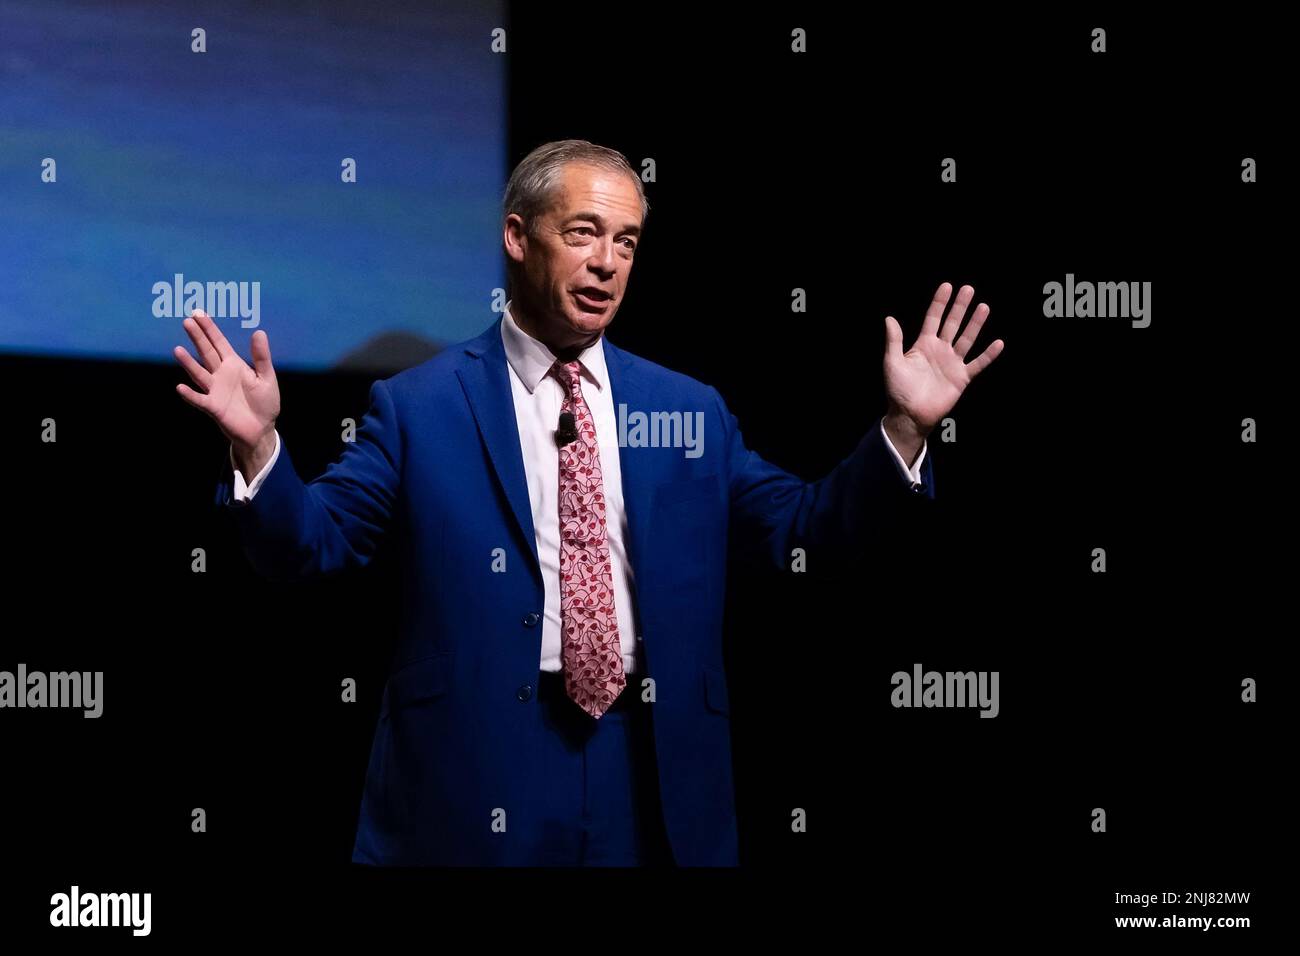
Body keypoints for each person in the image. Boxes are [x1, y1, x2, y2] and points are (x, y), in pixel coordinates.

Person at [173, 139, 1003, 866]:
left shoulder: (690, 411)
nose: (608, 262)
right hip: (481, 763)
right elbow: (310, 545)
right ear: (516, 237)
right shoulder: (419, 406)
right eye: (583, 234)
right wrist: (258, 448)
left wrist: (901, 428)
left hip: (650, 765)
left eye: (627, 243)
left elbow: (805, 534)